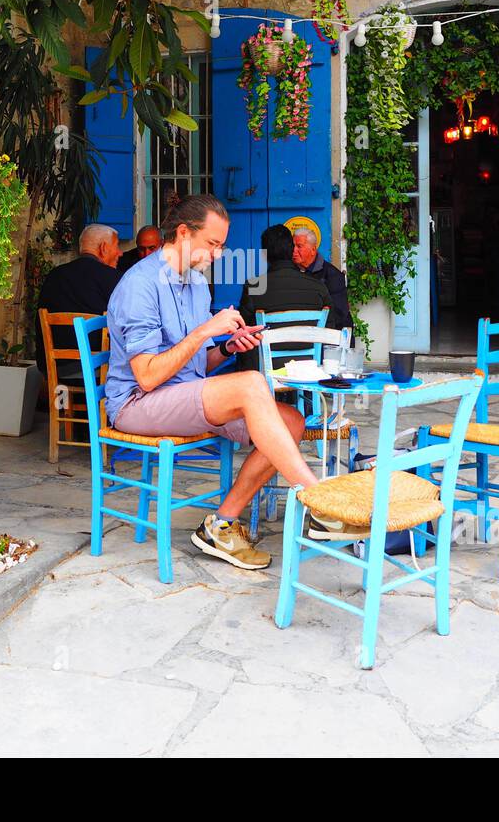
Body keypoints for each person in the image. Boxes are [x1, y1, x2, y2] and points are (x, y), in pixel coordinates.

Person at [105, 194, 334, 571]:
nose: (217, 254)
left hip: (181, 394)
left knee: (291, 420)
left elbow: (197, 366)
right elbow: (146, 376)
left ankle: (220, 523)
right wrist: (204, 332)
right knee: (249, 384)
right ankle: (318, 499)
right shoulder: (139, 286)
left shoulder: (196, 283)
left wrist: (227, 347)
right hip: (137, 403)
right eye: (212, 244)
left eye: (222, 246)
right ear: (182, 233)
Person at [236, 224, 332, 372]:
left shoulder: (254, 287)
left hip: (265, 368)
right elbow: (330, 329)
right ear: (292, 250)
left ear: (265, 254)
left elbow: (243, 330)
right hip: (308, 368)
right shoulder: (318, 287)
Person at [35, 223, 122, 377]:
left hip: (55, 369)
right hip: (96, 370)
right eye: (117, 246)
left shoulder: (54, 276)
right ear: (103, 248)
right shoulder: (113, 278)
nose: (120, 253)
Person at [292, 227, 352, 331]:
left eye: (299, 246)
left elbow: (339, 313)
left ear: (313, 249)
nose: (294, 250)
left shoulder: (333, 276)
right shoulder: (290, 272)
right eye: (292, 246)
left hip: (331, 337)